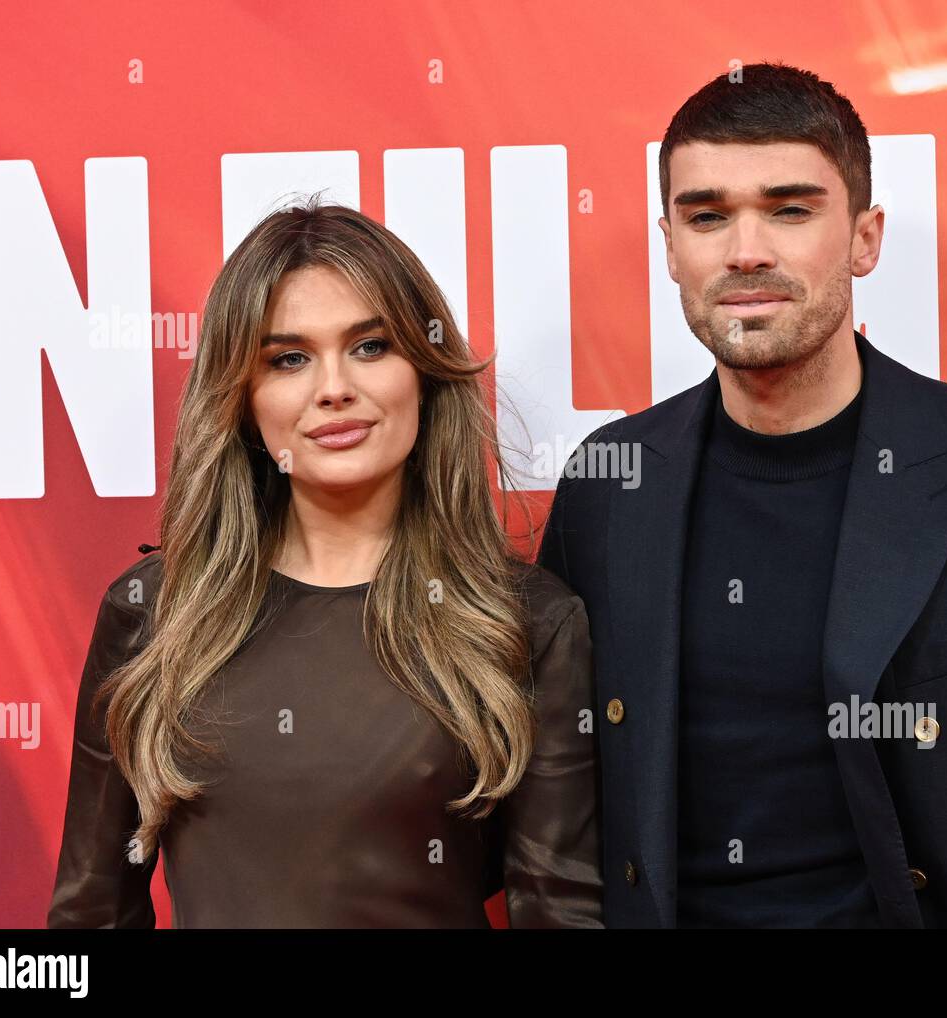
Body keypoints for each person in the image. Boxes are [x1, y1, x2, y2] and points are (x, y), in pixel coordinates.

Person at [537, 62, 947, 928]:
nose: (746, 250)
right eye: (707, 215)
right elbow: (562, 823)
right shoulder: (609, 484)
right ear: (670, 246)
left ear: (864, 237)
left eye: (790, 208)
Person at [48, 200, 603, 928]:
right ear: (243, 400)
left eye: (371, 346)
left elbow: (562, 916)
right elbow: (90, 918)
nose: (334, 387)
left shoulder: (527, 623)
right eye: (288, 359)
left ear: (425, 372)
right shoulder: (153, 614)